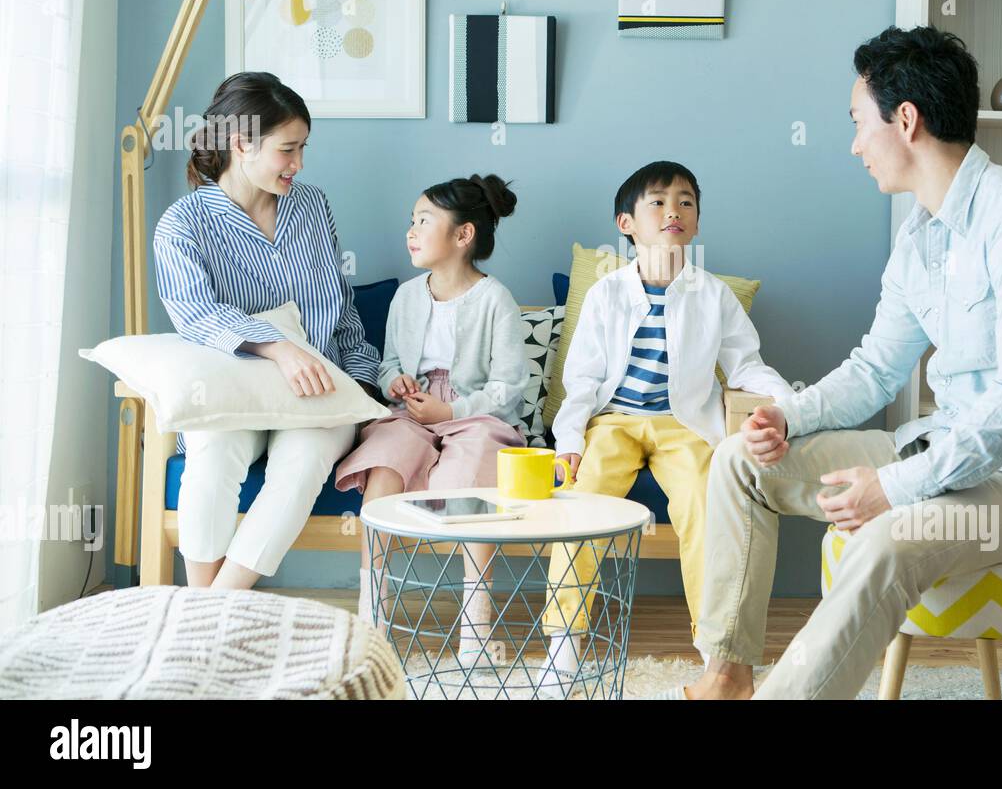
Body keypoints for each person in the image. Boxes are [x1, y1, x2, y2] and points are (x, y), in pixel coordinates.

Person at [676, 25, 1002, 700]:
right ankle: (726, 677)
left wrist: (898, 487)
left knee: (886, 538)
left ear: (905, 120)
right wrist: (785, 416)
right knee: (741, 461)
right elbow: (876, 369)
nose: (854, 144)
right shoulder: (919, 237)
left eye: (858, 122)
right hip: (937, 452)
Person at [540, 161, 793, 693]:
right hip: (614, 423)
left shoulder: (712, 294)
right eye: (656, 202)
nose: (672, 211)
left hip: (683, 424)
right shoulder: (606, 294)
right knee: (580, 503)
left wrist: (787, 399)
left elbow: (745, 362)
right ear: (626, 223)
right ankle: (565, 641)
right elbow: (580, 380)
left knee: (707, 503)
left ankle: (715, 648)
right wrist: (568, 444)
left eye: (685, 202)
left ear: (697, 222)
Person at [154, 71, 379, 590]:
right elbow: (195, 313)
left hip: (322, 390)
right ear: (240, 144)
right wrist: (276, 348)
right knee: (211, 453)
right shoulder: (182, 224)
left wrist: (364, 385)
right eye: (288, 150)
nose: (299, 164)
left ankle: (205, 618)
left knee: (301, 465)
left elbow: (340, 307)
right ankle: (209, 616)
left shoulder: (312, 205)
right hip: (236, 386)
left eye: (303, 148)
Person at [334, 175, 530, 664]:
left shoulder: (495, 300)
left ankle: (476, 630)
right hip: (412, 412)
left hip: (474, 414)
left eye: (424, 221)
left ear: (463, 236)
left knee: (474, 470)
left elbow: (509, 387)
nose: (411, 231)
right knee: (385, 458)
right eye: (411, 221)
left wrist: (454, 410)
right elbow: (387, 364)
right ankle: (370, 619)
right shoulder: (406, 297)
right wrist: (394, 382)